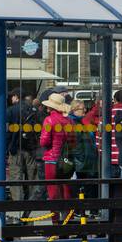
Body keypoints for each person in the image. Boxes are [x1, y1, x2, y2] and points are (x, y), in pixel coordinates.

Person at [39, 92, 75, 221]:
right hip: (66, 160)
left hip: (52, 160)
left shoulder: (49, 120)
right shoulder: (70, 120)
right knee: (66, 191)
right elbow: (73, 142)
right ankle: (68, 222)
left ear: (50, 107)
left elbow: (44, 141)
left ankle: (56, 223)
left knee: (53, 193)